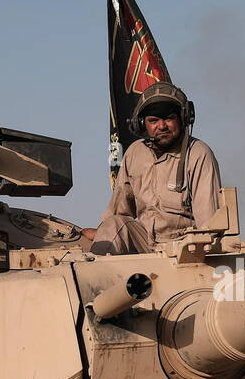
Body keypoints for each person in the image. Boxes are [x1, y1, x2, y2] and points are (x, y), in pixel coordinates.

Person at [90, 83, 222, 255]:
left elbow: (208, 226)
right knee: (113, 225)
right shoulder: (135, 153)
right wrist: (102, 233)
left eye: (169, 118)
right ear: (141, 124)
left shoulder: (198, 154)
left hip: (184, 247)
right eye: (153, 120)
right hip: (145, 242)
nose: (162, 126)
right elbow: (120, 211)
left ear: (183, 119)